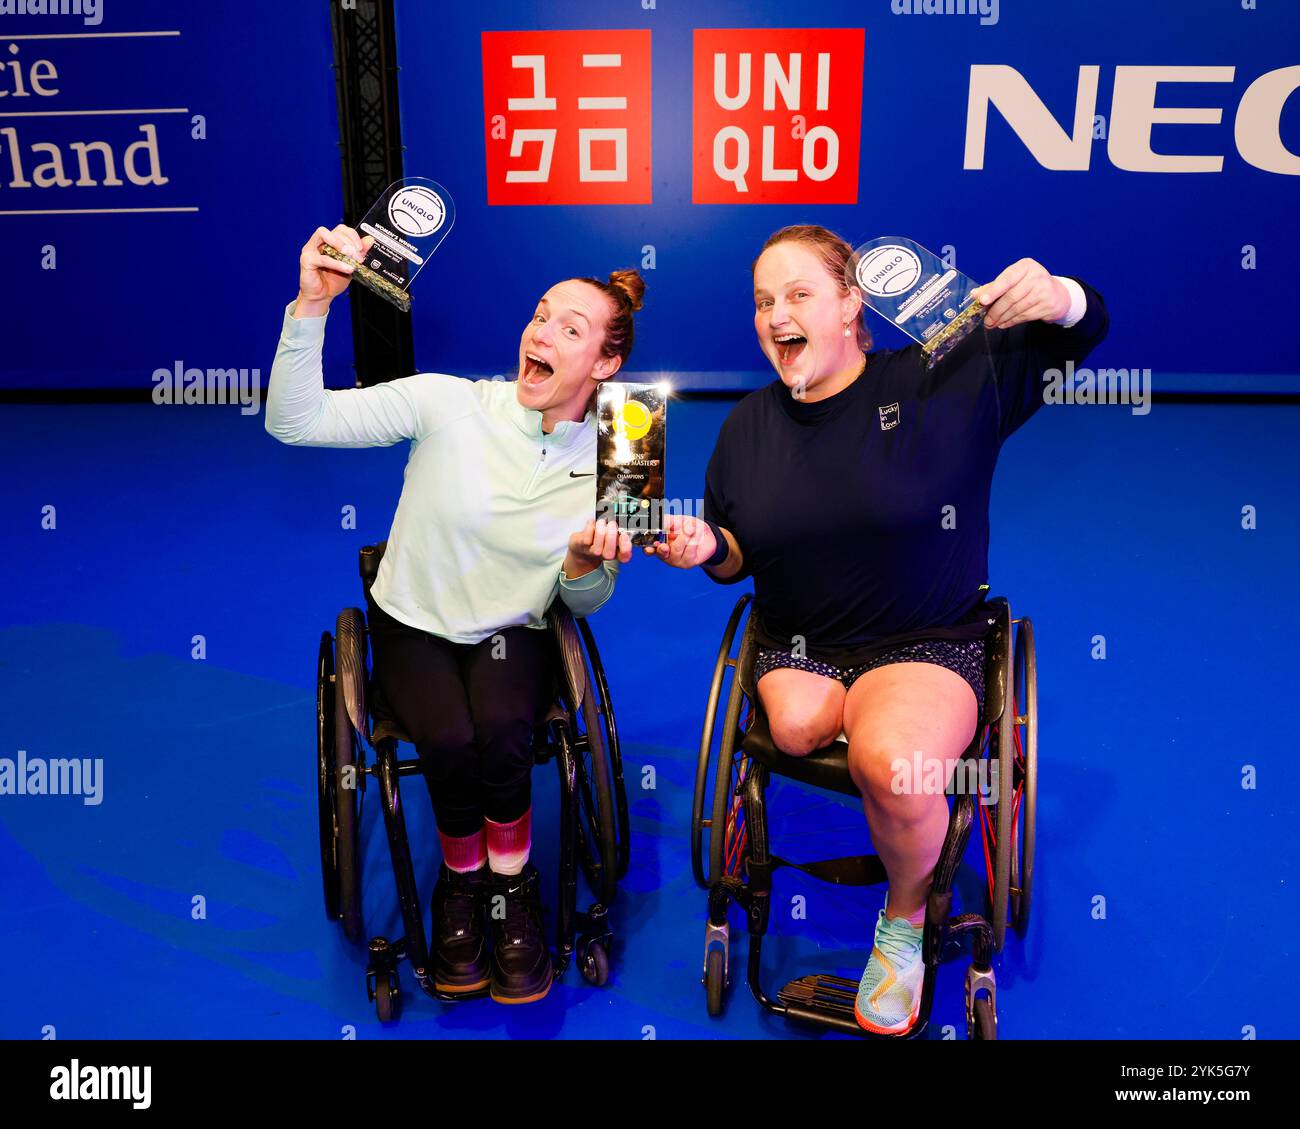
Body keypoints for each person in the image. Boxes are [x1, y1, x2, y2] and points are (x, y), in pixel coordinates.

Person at [646, 224, 1107, 1034]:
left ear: (851, 304)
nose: (774, 314)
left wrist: (1060, 294)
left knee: (892, 764)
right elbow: (737, 551)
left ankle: (901, 924)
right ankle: (870, 764)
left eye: (797, 294)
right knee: (789, 725)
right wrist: (704, 545)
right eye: (762, 301)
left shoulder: (947, 376)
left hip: (925, 638)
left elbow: (1089, 327)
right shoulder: (746, 426)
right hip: (798, 645)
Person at [266, 223, 643, 1004]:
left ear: (605, 363)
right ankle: (461, 887)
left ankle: (513, 890)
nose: (540, 332)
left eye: (569, 328)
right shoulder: (448, 403)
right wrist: (311, 305)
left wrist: (581, 565)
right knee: (445, 737)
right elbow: (294, 422)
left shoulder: (623, 449)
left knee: (506, 733)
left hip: (515, 626)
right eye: (540, 315)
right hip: (416, 617)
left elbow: (586, 601)